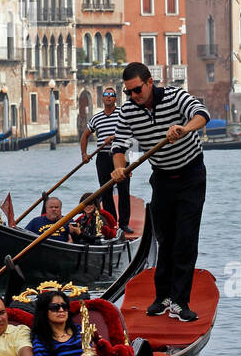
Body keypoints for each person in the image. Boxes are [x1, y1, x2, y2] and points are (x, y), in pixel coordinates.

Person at [110, 62, 210, 323]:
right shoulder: (128, 111)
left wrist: (184, 129)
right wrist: (119, 169)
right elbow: (119, 145)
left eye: (137, 90)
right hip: (163, 179)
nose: (133, 96)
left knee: (185, 240)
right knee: (165, 238)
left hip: (191, 176)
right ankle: (163, 296)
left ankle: (180, 302)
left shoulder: (175, 96)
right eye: (128, 92)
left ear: (150, 82)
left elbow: (202, 114)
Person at [79, 88, 135, 233]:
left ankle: (124, 223)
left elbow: (132, 136)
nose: (109, 97)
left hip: (121, 155)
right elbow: (84, 136)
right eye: (106, 95)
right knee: (106, 191)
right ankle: (111, 223)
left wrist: (115, 138)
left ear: (116, 99)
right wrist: (84, 154)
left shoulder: (122, 115)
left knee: (123, 190)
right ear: (102, 99)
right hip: (103, 157)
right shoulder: (96, 118)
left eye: (112, 95)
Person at [30, 289, 83, 356]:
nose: (61, 310)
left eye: (64, 306)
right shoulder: (40, 342)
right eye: (55, 307)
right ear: (44, 312)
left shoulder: (80, 330)